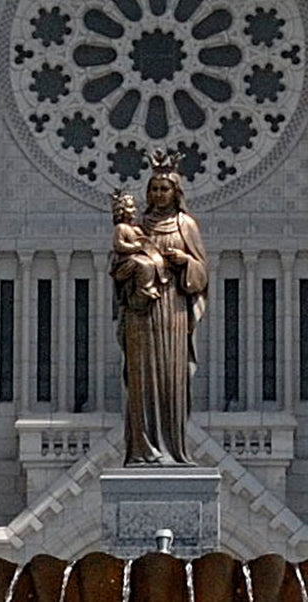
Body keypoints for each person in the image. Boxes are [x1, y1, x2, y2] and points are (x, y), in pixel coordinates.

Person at [115, 151, 209, 466]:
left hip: (174, 311)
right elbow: (118, 266)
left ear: (175, 191)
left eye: (164, 188)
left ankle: (173, 449)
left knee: (171, 379)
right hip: (142, 312)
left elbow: (201, 275)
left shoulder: (186, 225)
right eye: (154, 189)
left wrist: (185, 262)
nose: (159, 194)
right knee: (142, 380)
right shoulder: (137, 225)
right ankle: (143, 449)